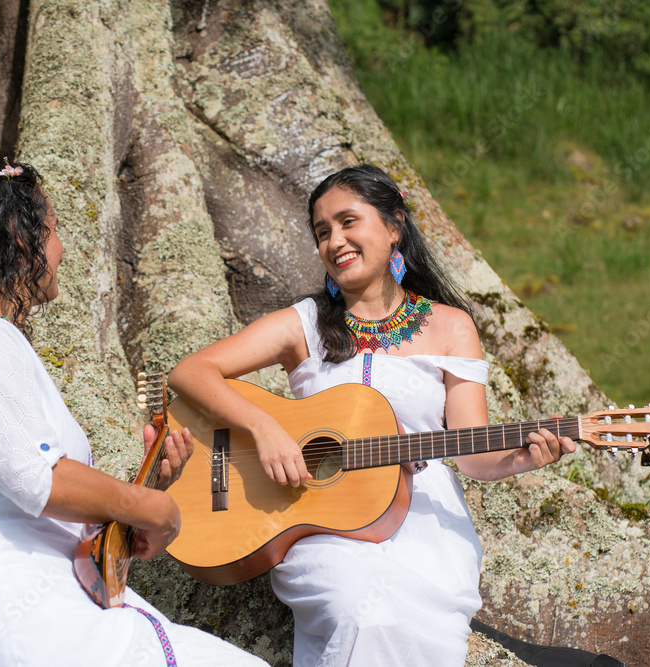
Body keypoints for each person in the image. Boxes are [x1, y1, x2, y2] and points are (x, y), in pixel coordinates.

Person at [167, 164, 577, 666]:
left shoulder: (451, 326)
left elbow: (472, 453)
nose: (334, 240)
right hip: (319, 525)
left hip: (424, 529)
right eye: (322, 231)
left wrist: (521, 460)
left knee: (405, 617)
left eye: (347, 222)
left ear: (393, 226)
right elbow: (191, 373)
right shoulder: (305, 323)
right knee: (361, 607)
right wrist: (266, 428)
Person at [0, 157, 267, 667]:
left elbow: (50, 512)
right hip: (18, 622)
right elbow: (37, 480)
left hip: (38, 616)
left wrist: (151, 487)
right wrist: (151, 509)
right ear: (22, 238)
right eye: (55, 231)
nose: (60, 251)